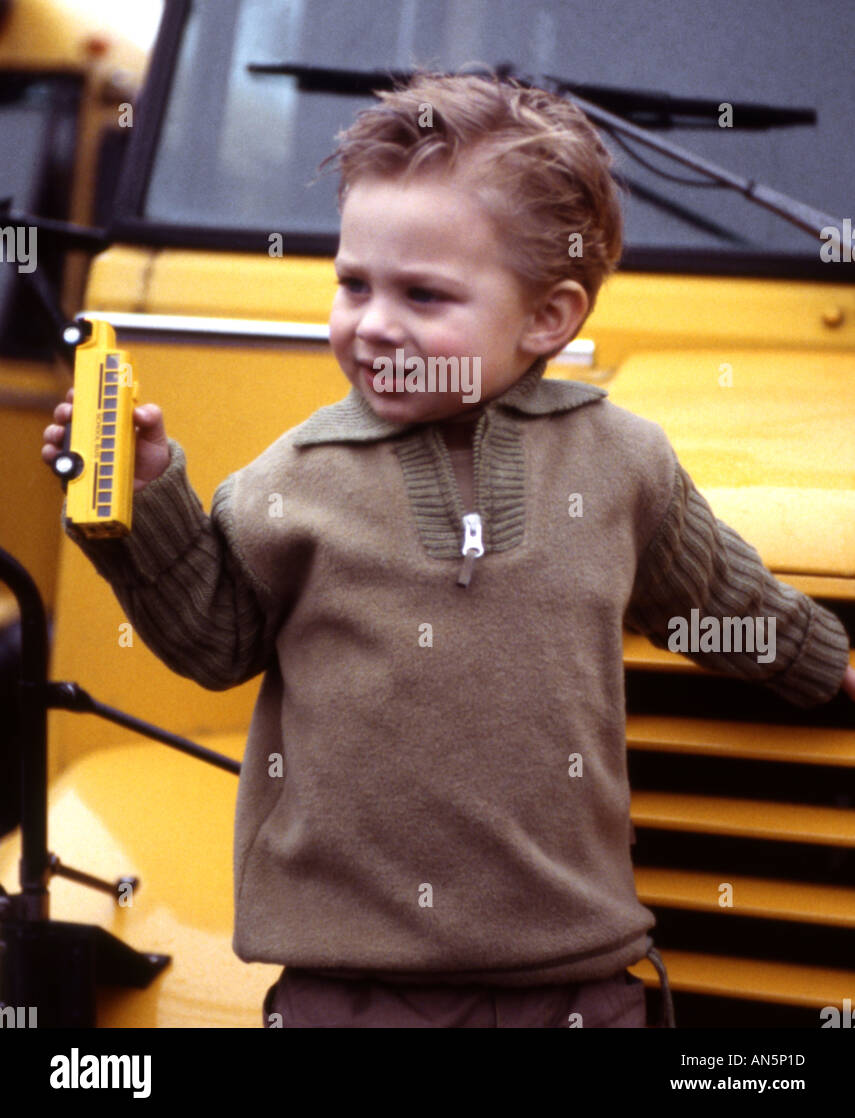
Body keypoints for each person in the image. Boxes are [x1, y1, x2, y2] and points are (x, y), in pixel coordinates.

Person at [42, 71, 855, 1029]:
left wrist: (829, 665)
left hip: (573, 983)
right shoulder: (293, 477)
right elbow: (214, 640)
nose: (374, 323)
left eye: (423, 295)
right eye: (354, 283)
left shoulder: (621, 461)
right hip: (347, 987)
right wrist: (146, 502)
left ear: (547, 318)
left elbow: (715, 601)